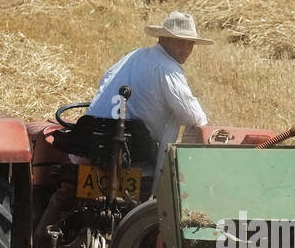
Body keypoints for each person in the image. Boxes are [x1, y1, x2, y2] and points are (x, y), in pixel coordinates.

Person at [86, 11, 212, 187]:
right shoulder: (167, 68)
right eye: (180, 41)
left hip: (93, 145)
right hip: (134, 154)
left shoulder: (134, 56)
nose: (185, 49)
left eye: (190, 43)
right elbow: (193, 117)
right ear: (163, 39)